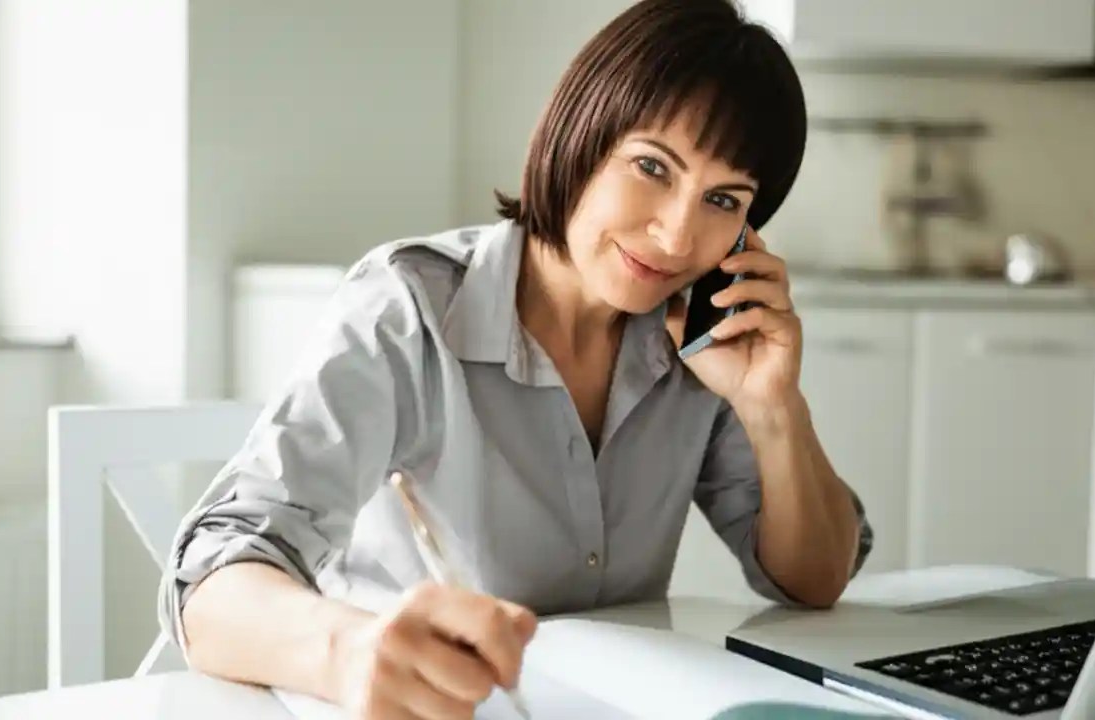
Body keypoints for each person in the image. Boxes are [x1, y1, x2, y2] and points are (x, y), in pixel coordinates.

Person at [159, 1, 874, 717]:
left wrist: (772, 405)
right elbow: (212, 572)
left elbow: (812, 582)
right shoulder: (411, 306)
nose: (677, 232)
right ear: (580, 135)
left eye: (722, 198)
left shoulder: (699, 344)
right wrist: (351, 650)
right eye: (652, 166)